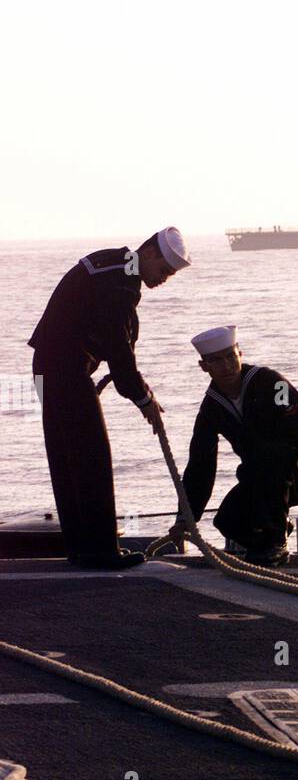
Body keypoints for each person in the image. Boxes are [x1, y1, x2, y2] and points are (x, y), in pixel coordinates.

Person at [29, 227, 191, 570]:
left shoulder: (116, 265)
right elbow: (119, 351)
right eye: (163, 270)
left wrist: (138, 390)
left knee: (66, 457)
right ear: (148, 253)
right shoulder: (121, 282)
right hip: (65, 370)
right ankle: (101, 550)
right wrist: (143, 398)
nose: (164, 279)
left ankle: (80, 548)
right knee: (92, 457)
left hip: (46, 368)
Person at [169, 326, 298, 566]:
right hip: (258, 479)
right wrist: (185, 517)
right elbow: (201, 464)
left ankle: (275, 543)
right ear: (204, 366)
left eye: (230, 356)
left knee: (271, 455)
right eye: (216, 360)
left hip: (297, 475)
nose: (226, 365)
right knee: (227, 520)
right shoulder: (211, 408)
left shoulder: (275, 384)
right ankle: (268, 542)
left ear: (240, 355)